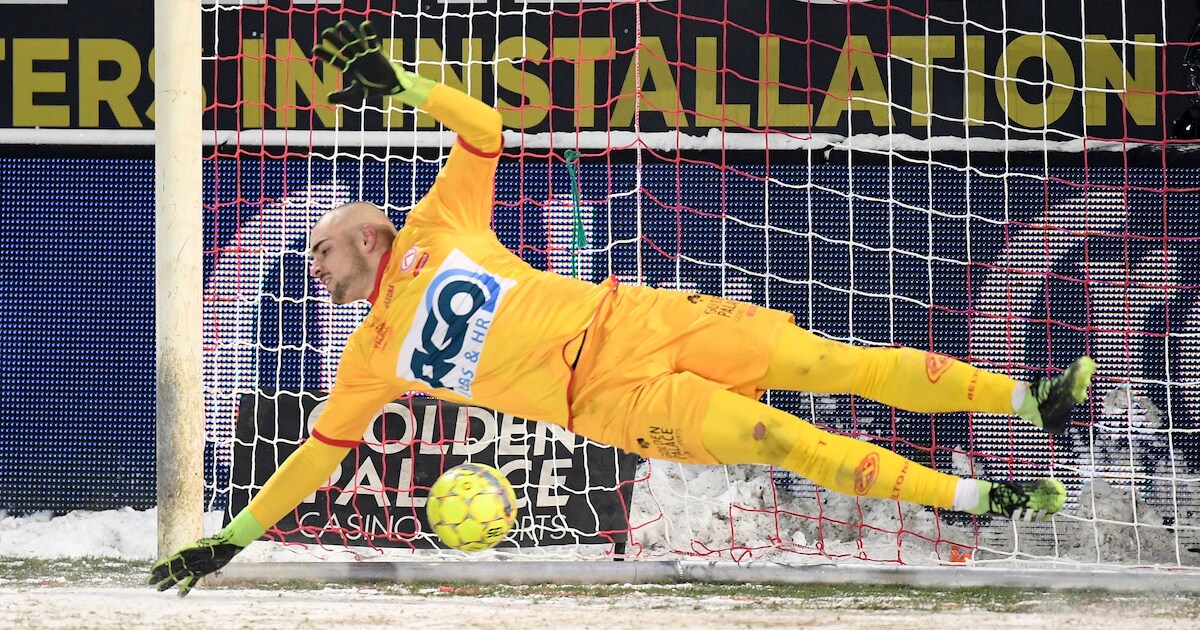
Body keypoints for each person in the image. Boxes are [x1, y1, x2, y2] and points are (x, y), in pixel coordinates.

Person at [150, 19, 1095, 596]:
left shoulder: (441, 222)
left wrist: (404, 86)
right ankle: (980, 499)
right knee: (784, 440)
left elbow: (486, 127)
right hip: (611, 403)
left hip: (639, 316)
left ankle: (1026, 400)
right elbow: (318, 458)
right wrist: (228, 541)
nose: (309, 265)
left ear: (368, 239)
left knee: (832, 361)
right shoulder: (367, 360)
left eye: (320, 248)